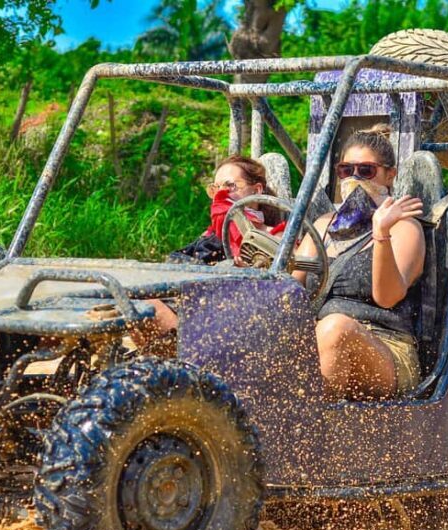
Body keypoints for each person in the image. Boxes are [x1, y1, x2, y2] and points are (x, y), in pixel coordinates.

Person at [294, 125, 425, 400]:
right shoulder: (322, 225)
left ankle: (307, 434)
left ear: (390, 174)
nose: (354, 178)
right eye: (346, 170)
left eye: (365, 171)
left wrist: (381, 232)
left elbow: (387, 296)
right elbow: (290, 289)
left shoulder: (405, 228)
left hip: (387, 349)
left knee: (335, 328)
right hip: (318, 338)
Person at [143, 156, 281, 352]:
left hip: (233, 316)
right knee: (137, 305)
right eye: (215, 189)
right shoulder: (210, 234)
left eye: (230, 186)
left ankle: (191, 363)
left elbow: (286, 284)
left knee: (147, 308)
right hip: (188, 305)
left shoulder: (276, 235)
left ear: (257, 190)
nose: (221, 194)